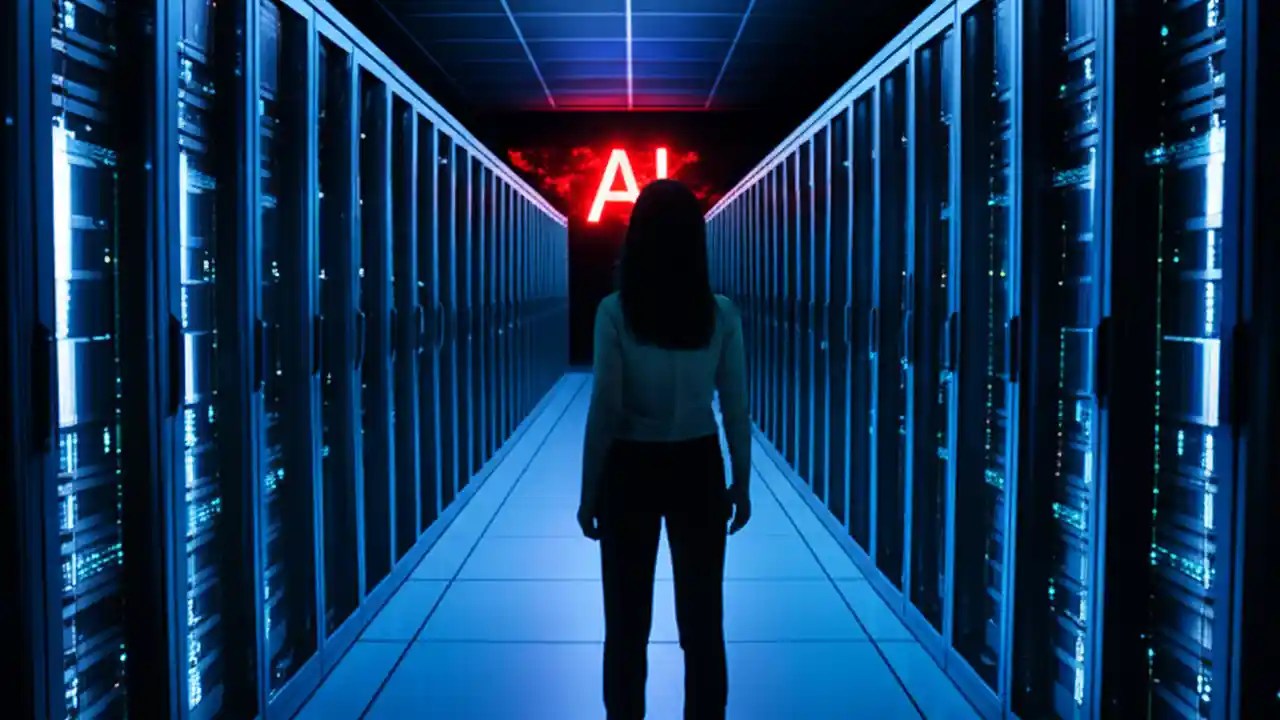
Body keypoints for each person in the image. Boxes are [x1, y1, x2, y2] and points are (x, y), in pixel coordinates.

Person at [577, 179, 752, 720]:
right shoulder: (719, 313)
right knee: (703, 623)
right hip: (698, 465)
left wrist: (589, 493)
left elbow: (605, 407)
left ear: (638, 237)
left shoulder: (614, 311)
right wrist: (741, 484)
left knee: (625, 625)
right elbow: (736, 406)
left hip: (631, 468)